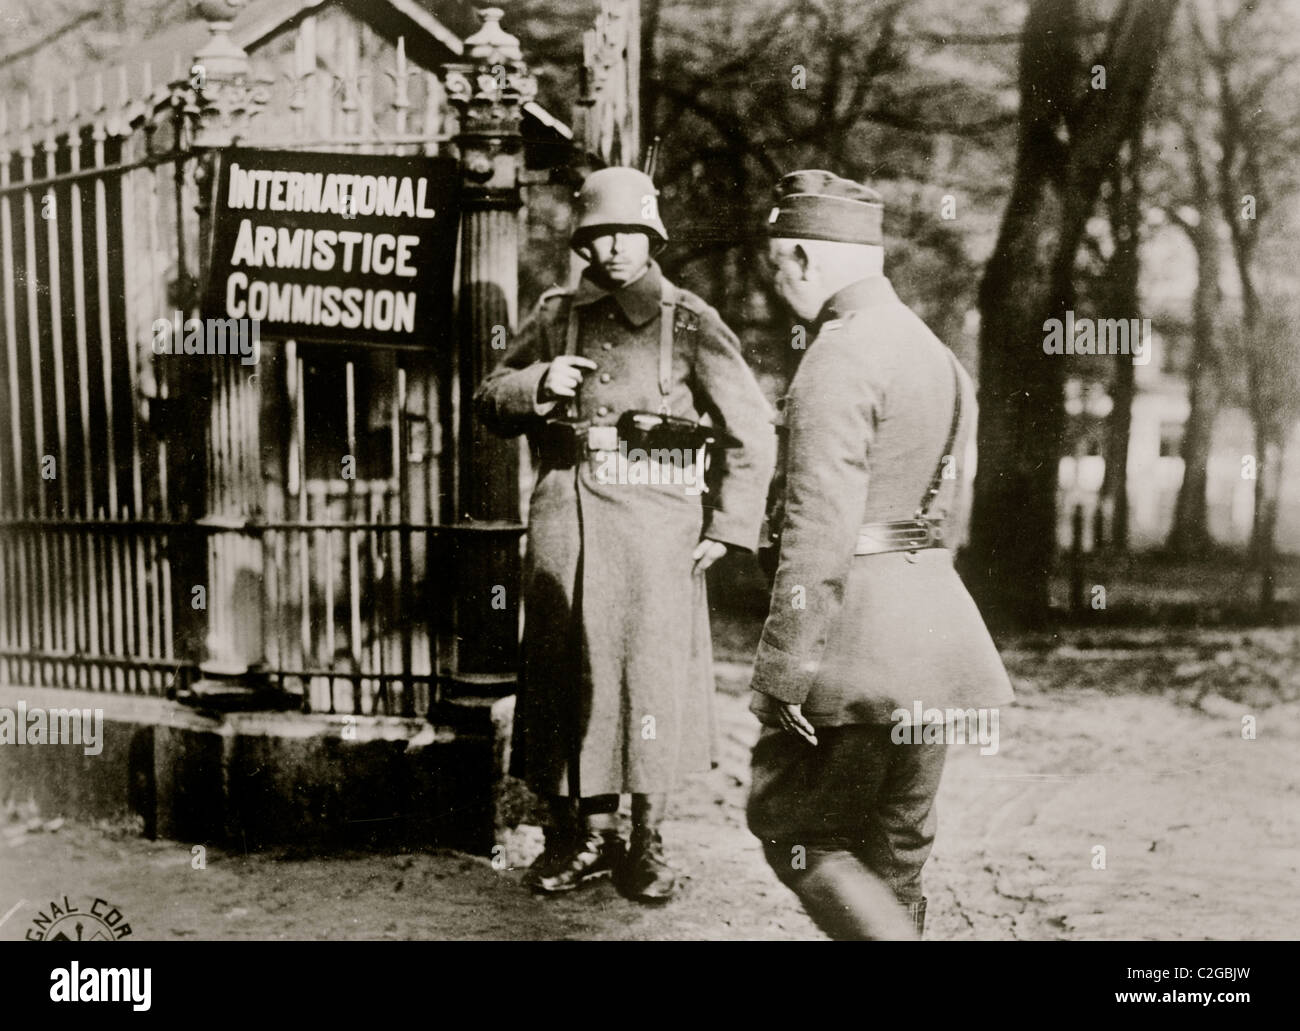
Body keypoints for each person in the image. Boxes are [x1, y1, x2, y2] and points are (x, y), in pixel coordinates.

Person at [476, 167, 775, 902]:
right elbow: (488, 396)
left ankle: (646, 842)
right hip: (566, 525)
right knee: (563, 680)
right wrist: (538, 382)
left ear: (652, 235)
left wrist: (732, 528)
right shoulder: (554, 315)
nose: (613, 248)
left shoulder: (690, 319)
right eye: (598, 234)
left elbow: (751, 431)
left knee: (648, 683)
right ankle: (579, 835)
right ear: (582, 240)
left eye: (628, 233)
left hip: (656, 531)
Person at [748, 169, 1014, 939]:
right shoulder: (939, 357)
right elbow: (951, 513)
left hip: (854, 643)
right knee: (896, 845)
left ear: (801, 258)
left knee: (792, 826)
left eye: (777, 265)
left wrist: (786, 669)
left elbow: (817, 523)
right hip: (935, 634)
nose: (778, 281)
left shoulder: (840, 354)